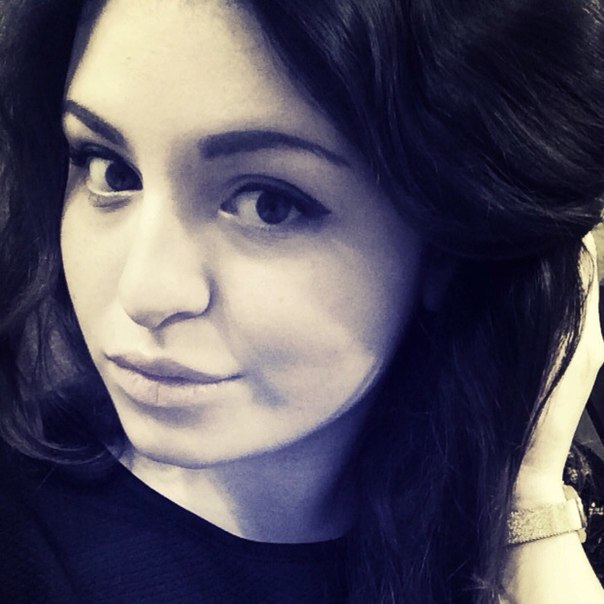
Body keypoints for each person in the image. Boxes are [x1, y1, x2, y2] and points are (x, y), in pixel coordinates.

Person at [0, 0, 603, 602]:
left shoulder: (489, 511)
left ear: (447, 244)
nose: (144, 294)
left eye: (268, 204)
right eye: (110, 171)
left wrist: (527, 507)